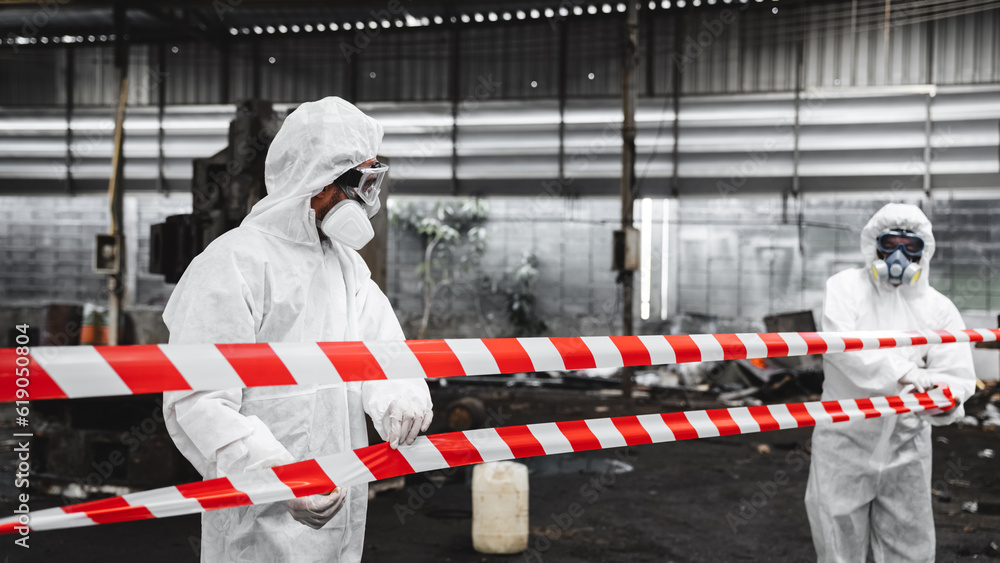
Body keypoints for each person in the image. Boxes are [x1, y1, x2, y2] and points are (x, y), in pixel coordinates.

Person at [162, 97, 433, 562]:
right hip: (256, 524)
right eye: (363, 182)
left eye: (375, 181)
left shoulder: (347, 267)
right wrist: (277, 475)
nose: (370, 200)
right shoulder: (233, 264)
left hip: (340, 518)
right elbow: (198, 400)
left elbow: (384, 351)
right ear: (322, 181)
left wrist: (399, 397)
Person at [805, 203, 976, 562]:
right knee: (838, 545)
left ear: (923, 251)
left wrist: (948, 398)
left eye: (910, 246)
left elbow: (956, 372)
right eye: (890, 243)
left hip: (907, 444)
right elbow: (844, 350)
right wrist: (908, 373)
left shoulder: (938, 308)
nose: (898, 255)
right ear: (874, 245)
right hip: (844, 438)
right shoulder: (844, 288)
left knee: (910, 546)